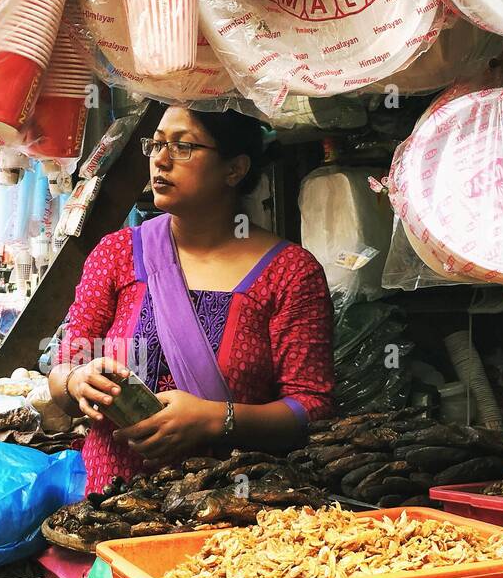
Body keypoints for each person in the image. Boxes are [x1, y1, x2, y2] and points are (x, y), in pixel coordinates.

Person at [48, 105, 335, 492]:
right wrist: (77, 382)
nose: (161, 160)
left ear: (235, 169)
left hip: (230, 511)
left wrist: (215, 420)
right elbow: (64, 368)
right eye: (157, 144)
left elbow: (311, 406)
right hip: (111, 506)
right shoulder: (116, 255)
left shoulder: (289, 272)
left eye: (183, 147)